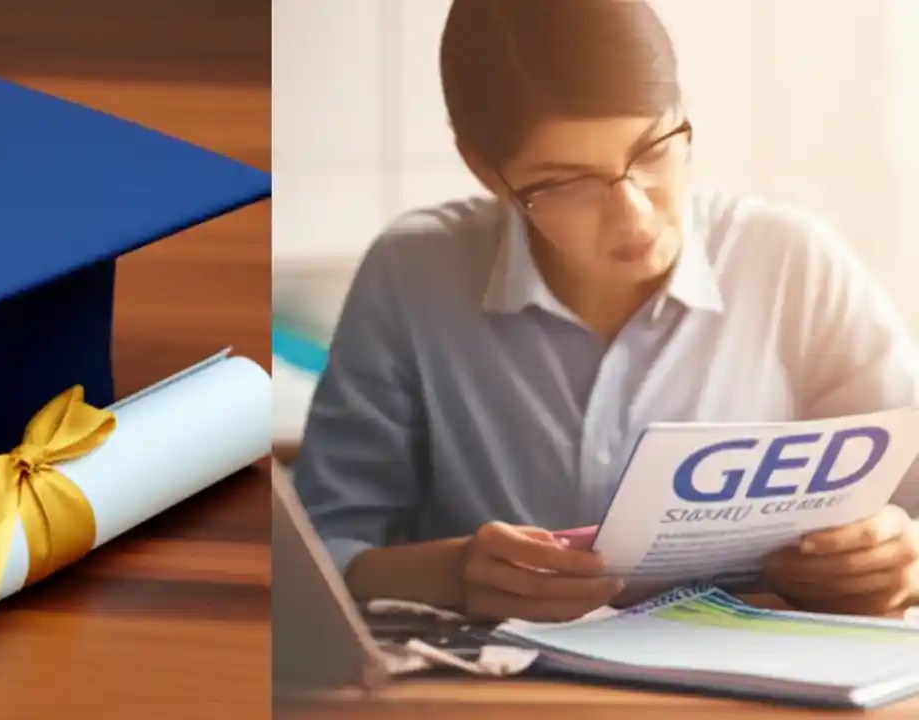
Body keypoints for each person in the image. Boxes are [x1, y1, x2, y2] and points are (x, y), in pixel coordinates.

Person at [293, 0, 919, 621]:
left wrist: (892, 558)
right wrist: (454, 574)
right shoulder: (414, 274)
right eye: (568, 182)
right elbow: (317, 547)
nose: (635, 216)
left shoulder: (792, 261)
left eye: (653, 151)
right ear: (485, 171)